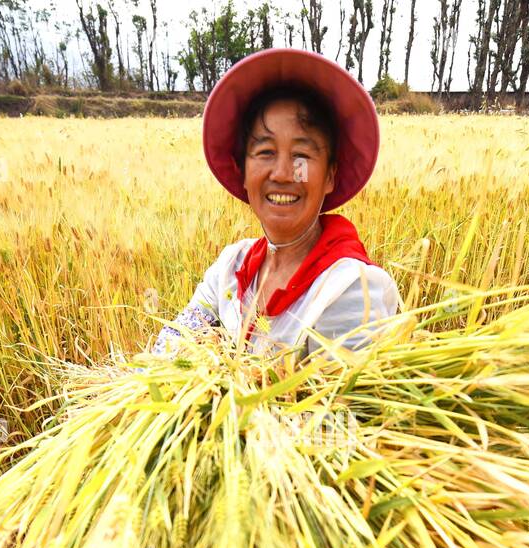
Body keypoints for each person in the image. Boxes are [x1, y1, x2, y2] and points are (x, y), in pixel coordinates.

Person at [153, 48, 403, 361]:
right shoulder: (230, 270)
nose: (283, 173)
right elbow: (171, 350)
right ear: (243, 171)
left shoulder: (352, 289)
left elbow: (342, 408)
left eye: (301, 155)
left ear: (330, 175)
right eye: (265, 152)